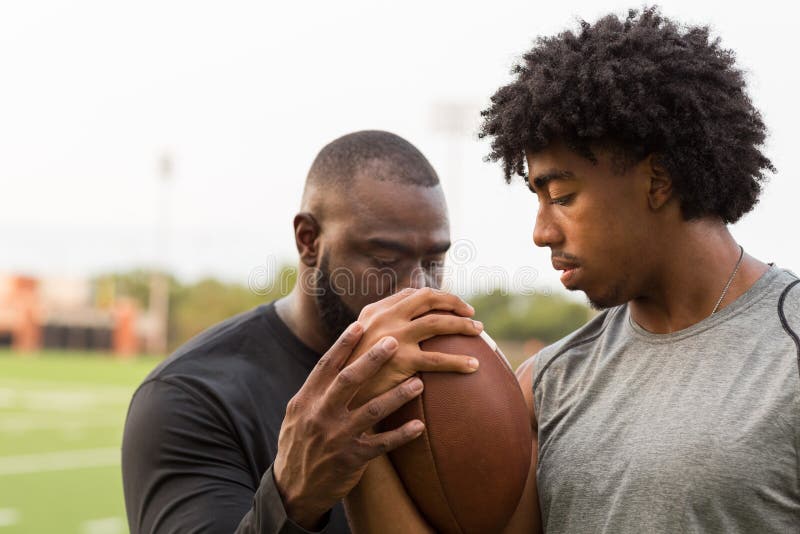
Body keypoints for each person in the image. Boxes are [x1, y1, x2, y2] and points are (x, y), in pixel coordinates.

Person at [345, 8, 800, 533]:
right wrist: (361, 439)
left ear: (659, 180)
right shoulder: (549, 381)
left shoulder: (786, 351)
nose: (541, 232)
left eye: (562, 197)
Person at [121, 130, 486, 533]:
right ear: (308, 240)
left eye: (434, 261)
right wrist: (293, 496)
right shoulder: (192, 396)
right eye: (385, 259)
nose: (418, 288)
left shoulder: (449, 382)